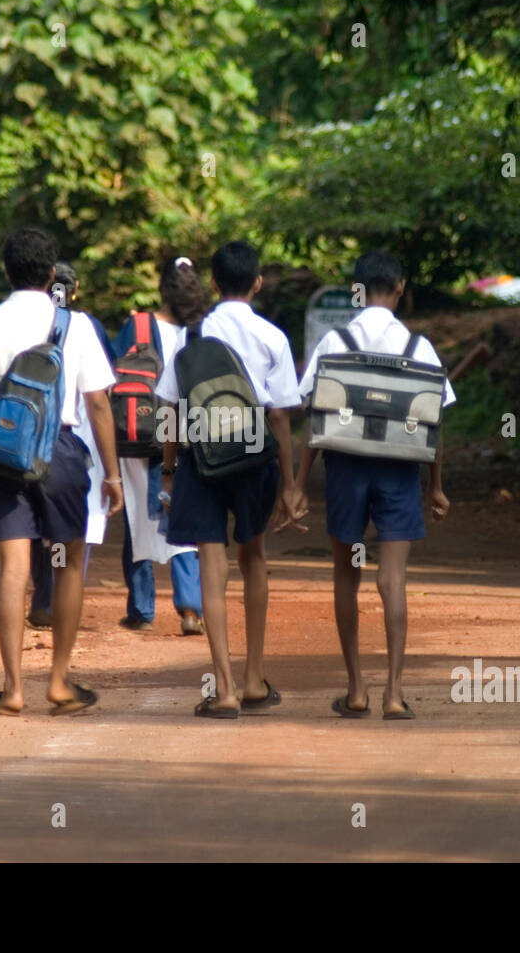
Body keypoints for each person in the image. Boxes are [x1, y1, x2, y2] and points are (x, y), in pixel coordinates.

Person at [0, 228, 123, 716]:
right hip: (62, 453)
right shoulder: (76, 325)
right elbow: (98, 404)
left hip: (5, 455)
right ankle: (61, 681)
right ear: (52, 274)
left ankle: (13, 688)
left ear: (6, 272)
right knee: (66, 563)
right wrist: (112, 475)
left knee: (12, 571)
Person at [288, 250, 455, 719]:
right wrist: (435, 486)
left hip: (345, 468)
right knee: (392, 578)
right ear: (401, 287)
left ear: (357, 290)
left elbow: (314, 415)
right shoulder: (419, 347)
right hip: (400, 471)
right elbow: (434, 422)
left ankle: (357, 688)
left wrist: (300, 481)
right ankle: (395, 694)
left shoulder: (333, 342)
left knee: (347, 574)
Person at [155, 241, 304, 717]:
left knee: (210, 568)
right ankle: (254, 677)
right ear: (257, 283)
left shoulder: (191, 336)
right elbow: (280, 416)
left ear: (214, 284)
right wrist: (290, 481)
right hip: (256, 455)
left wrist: (169, 468)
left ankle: (223, 689)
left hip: (203, 458)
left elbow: (170, 411)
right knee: (254, 555)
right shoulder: (272, 336)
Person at [112, 256, 205, 635]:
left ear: (162, 288)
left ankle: (142, 609)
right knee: (183, 519)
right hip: (186, 436)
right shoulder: (203, 330)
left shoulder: (137, 325)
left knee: (139, 518)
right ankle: (189, 610)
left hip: (140, 435)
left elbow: (108, 371)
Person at [26, 261, 116, 630]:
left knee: (36, 523)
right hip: (76, 438)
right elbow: (100, 395)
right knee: (68, 528)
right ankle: (57, 596)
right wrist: (113, 471)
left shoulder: (27, 321)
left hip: (28, 434)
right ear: (74, 290)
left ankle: (43, 593)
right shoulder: (86, 326)